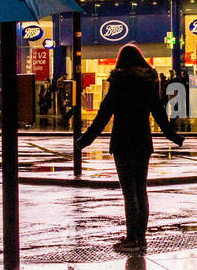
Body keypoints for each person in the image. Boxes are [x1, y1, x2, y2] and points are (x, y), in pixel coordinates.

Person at [75, 43, 183, 252]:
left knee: (129, 191)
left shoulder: (119, 82)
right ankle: (140, 237)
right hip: (143, 141)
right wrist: (174, 137)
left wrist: (85, 140)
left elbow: (103, 114)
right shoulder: (148, 83)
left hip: (123, 141)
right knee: (141, 189)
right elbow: (160, 115)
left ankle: (131, 239)